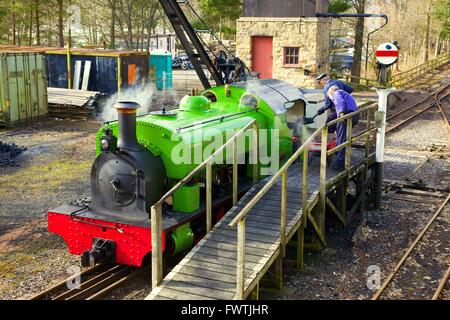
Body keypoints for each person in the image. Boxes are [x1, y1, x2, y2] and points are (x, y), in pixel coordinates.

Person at [327, 85, 359, 170]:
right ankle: (341, 160)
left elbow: (340, 102)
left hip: (346, 117)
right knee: (344, 138)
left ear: (330, 92)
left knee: (341, 139)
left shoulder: (336, 93)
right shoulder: (345, 93)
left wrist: (341, 115)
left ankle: (340, 164)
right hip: (353, 115)